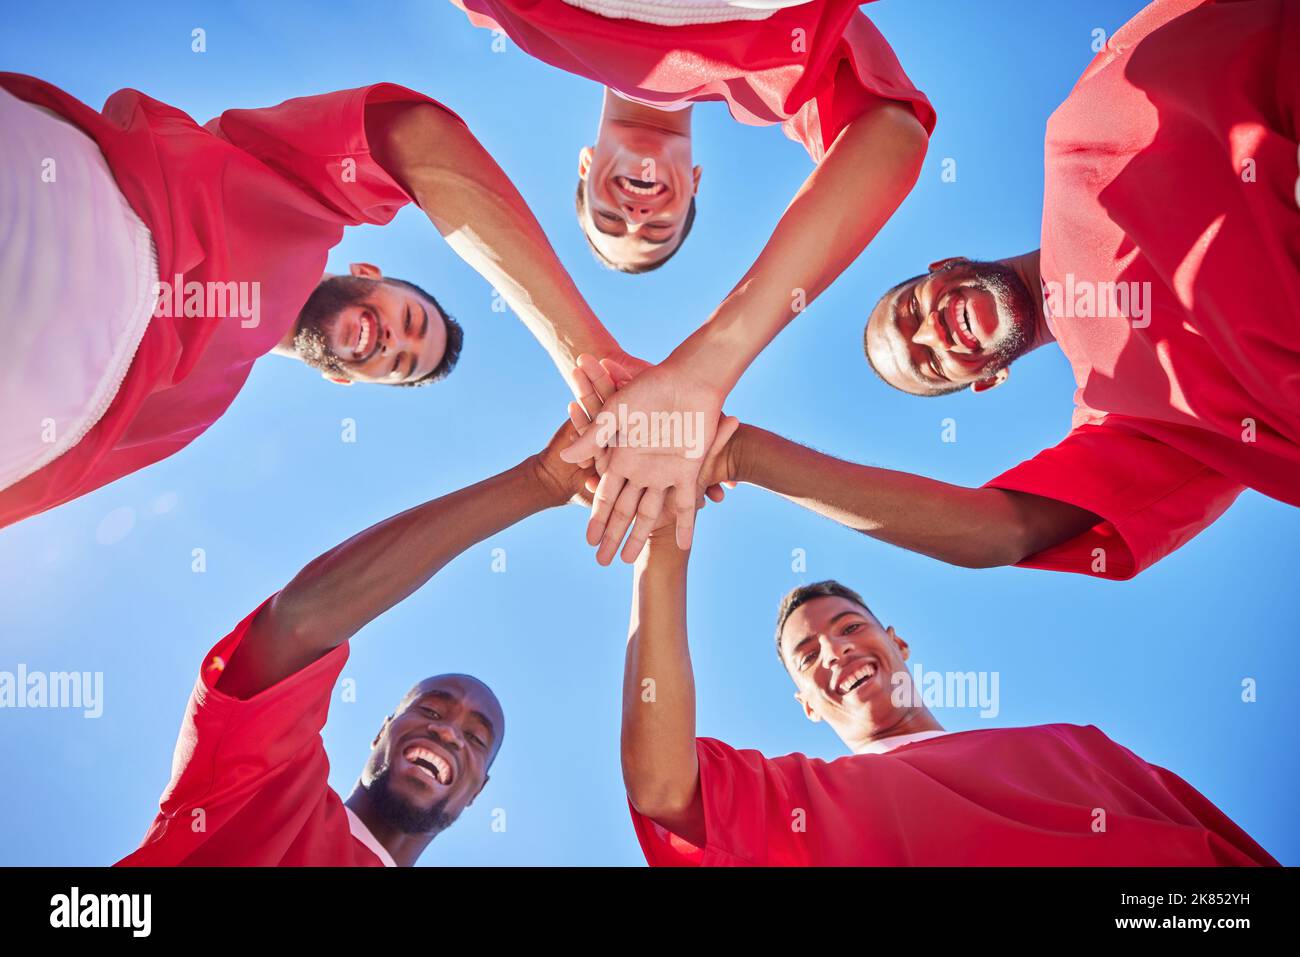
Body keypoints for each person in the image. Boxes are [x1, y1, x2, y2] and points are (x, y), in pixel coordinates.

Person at [0, 75, 636, 530]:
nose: (393, 341)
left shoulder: (199, 411)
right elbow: (414, 137)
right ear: (369, 271)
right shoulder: (297, 196)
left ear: (341, 377)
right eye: (408, 320)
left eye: (400, 363)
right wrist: (594, 365)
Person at [450, 0, 934, 556]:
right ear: (694, 184)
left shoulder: (519, 20)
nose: (634, 216)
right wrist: (705, 369)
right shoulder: (776, 81)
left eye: (608, 217)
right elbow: (892, 133)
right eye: (657, 229)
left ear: (585, 167)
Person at [840, 0, 1299, 578]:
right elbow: (1002, 532)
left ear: (946, 264)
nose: (933, 332)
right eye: (930, 364)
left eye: (911, 312)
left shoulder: (1081, 132)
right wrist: (745, 455)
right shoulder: (1124, 421)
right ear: (984, 380)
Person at [117, 419, 597, 866]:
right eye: (430, 710)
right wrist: (541, 481)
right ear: (382, 732)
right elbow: (298, 626)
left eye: (475, 738)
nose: (448, 732)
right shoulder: (268, 792)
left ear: (477, 792)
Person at [621, 570, 1279, 866]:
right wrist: (663, 538)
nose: (838, 648)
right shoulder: (806, 805)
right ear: (807, 703)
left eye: (850, 626)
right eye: (808, 655)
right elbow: (661, 785)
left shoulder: (1075, 746)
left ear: (897, 643)